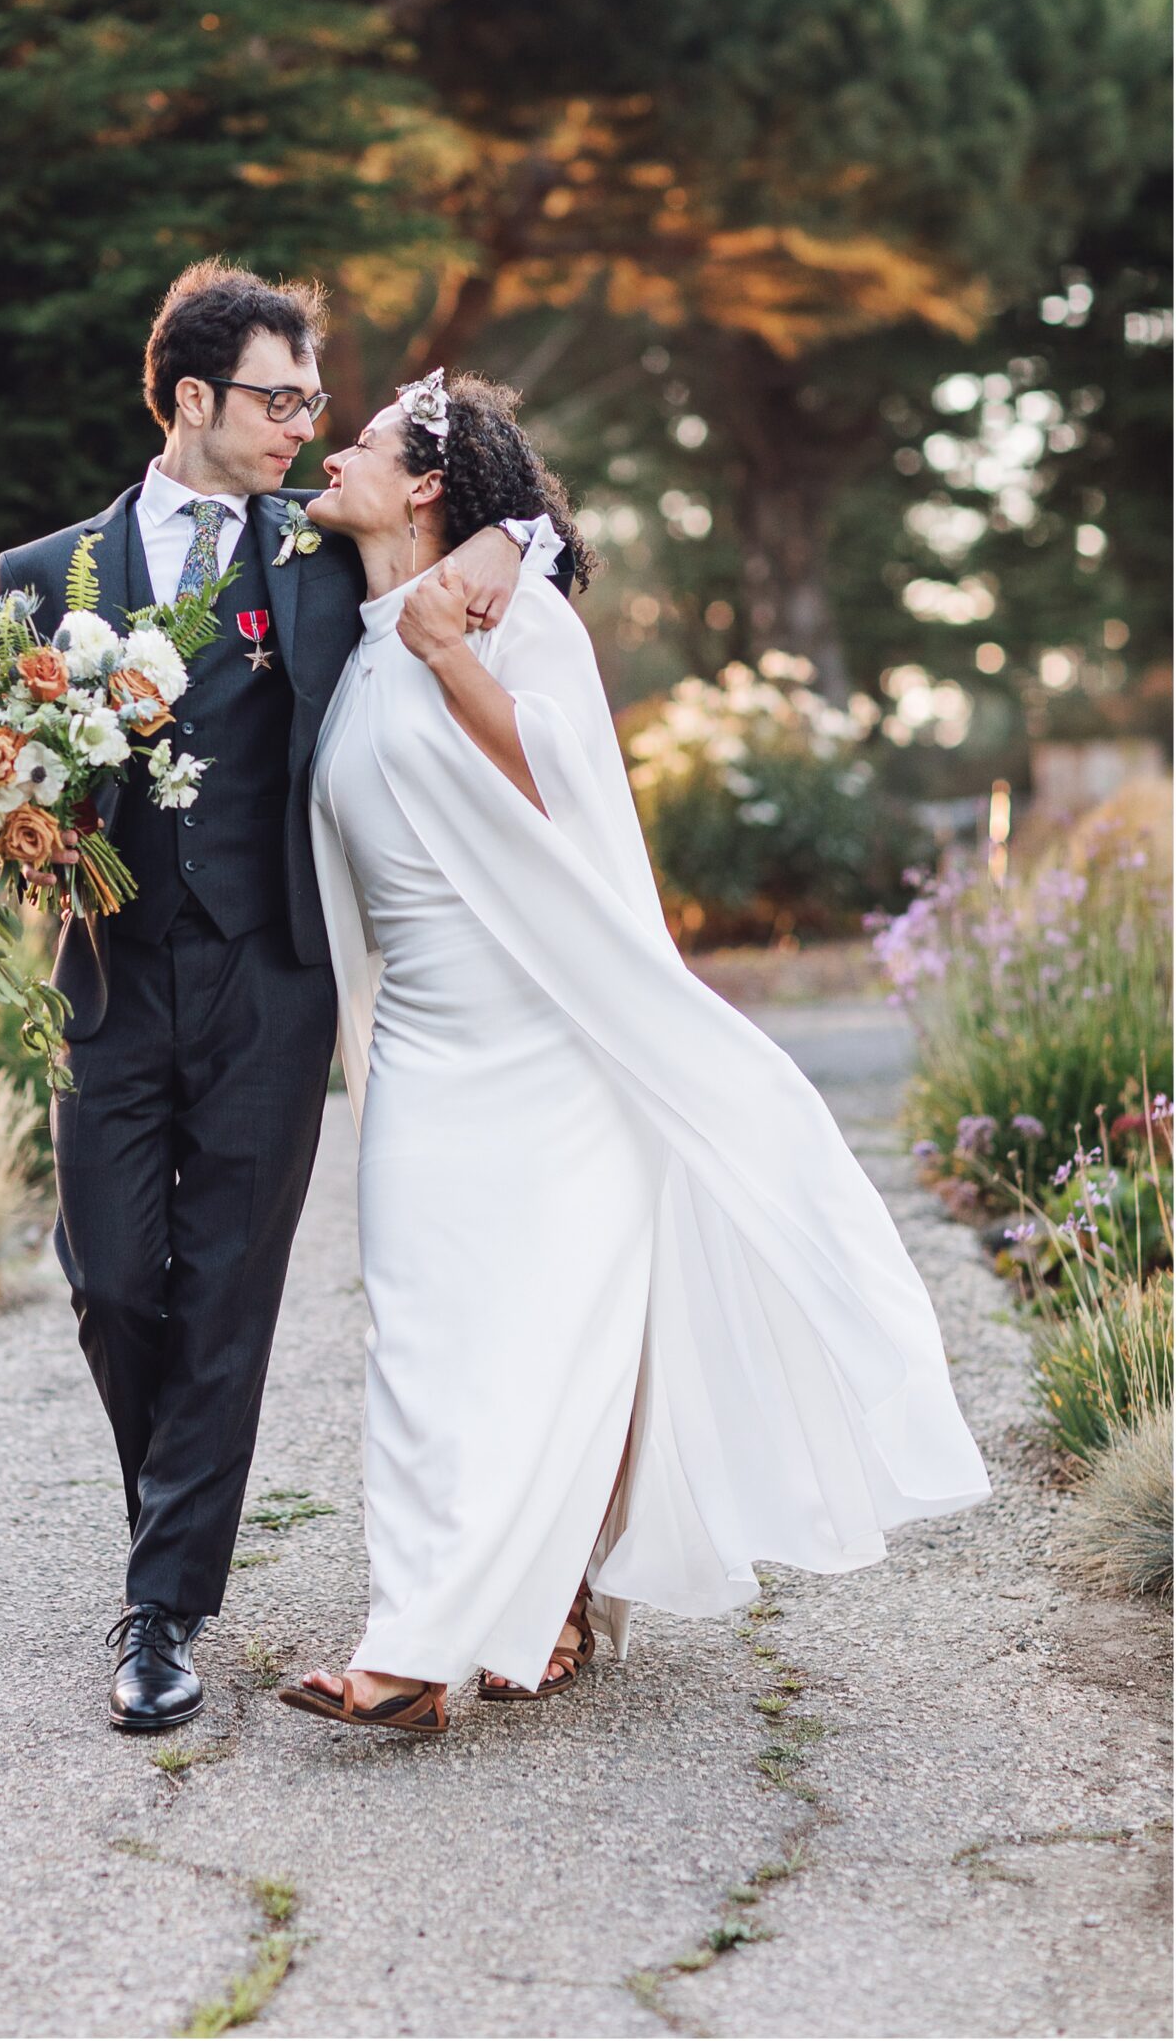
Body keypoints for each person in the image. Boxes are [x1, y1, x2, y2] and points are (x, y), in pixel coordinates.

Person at [279, 370, 991, 1736]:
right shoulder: (349, 620)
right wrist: (458, 584)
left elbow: (561, 779)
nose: (330, 453)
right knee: (418, 1336)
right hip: (424, 1044)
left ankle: (433, 1644)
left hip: (553, 1038)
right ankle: (433, 1623)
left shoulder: (509, 623)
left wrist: (454, 648)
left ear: (426, 484)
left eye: (361, 442)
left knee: (555, 1333)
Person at [0, 264, 559, 1732]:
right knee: (117, 1283)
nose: (306, 425)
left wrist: (511, 528)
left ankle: (162, 1607)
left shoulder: (313, 557)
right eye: (279, 399)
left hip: (271, 982)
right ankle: (166, 1538)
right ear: (192, 399)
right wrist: (1, 821)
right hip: (106, 985)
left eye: (317, 401)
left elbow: (478, 512)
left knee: (228, 1294)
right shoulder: (39, 579)